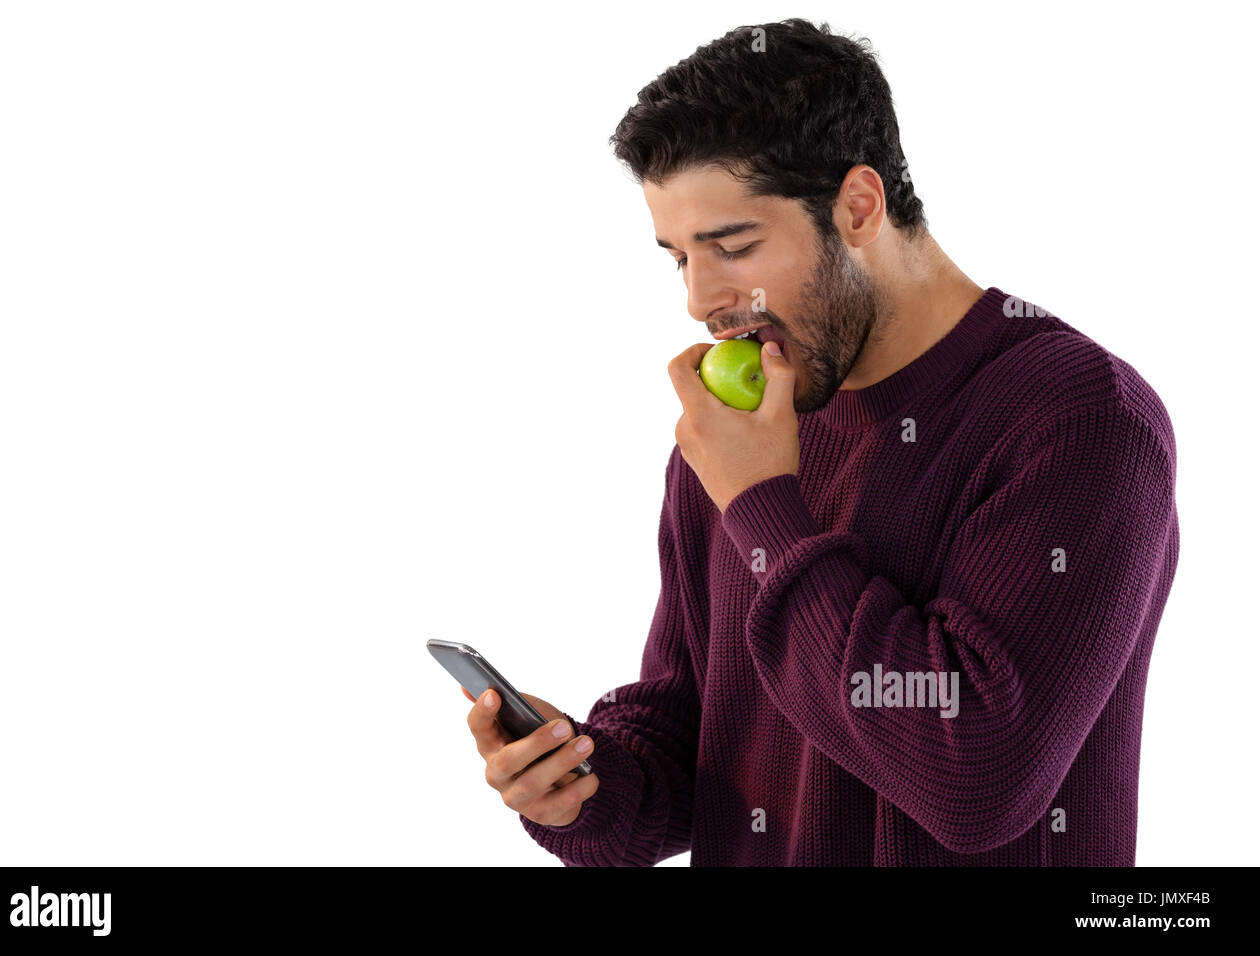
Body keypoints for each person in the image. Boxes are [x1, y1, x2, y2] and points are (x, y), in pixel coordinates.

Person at [463, 18, 1179, 866]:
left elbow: (977, 780)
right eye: (677, 256)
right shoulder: (745, 425)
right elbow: (696, 736)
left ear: (859, 206)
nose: (700, 299)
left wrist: (765, 507)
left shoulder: (1079, 421)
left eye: (733, 247)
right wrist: (584, 788)